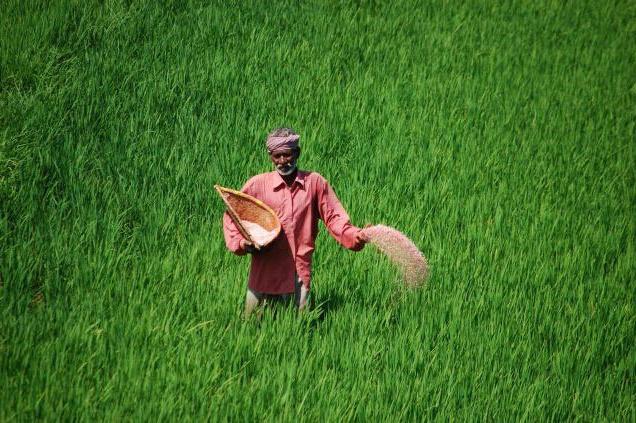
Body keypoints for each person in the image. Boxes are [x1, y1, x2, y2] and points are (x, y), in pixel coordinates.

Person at [222, 127, 368, 317]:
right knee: (252, 325)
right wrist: (242, 243)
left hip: (298, 271)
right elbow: (233, 214)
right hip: (264, 270)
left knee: (300, 325)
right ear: (270, 156)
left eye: (287, 155)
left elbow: (335, 218)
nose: (283, 161)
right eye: (277, 156)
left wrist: (357, 235)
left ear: (297, 153)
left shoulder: (314, 183)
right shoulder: (258, 185)